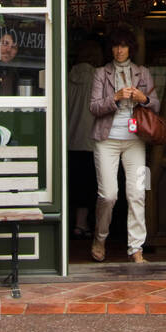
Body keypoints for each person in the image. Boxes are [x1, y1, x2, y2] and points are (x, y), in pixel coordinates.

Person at [88, 27, 159, 263]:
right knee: (108, 195)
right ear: (111, 48)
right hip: (106, 140)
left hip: (136, 141)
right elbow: (94, 107)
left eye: (124, 46)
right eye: (116, 46)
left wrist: (144, 99)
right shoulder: (101, 73)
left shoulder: (143, 73)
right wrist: (115, 98)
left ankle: (136, 248)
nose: (119, 50)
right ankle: (100, 237)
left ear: (131, 48)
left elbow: (156, 105)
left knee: (137, 193)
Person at [66, 38, 103, 240]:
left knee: (74, 183)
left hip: (70, 139)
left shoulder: (68, 76)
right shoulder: (98, 78)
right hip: (90, 140)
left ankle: (75, 223)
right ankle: (83, 224)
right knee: (90, 186)